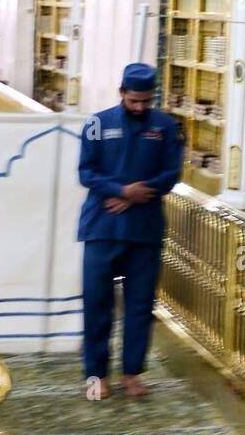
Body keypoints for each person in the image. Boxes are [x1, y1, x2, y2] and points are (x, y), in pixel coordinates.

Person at [77, 63, 183, 400]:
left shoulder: (166, 127)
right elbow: (87, 172)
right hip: (102, 227)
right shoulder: (97, 124)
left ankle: (132, 374)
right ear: (121, 93)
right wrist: (123, 192)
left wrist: (139, 193)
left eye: (145, 102)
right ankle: (96, 375)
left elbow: (170, 174)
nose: (139, 107)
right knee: (97, 303)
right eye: (133, 100)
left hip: (144, 230)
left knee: (140, 306)